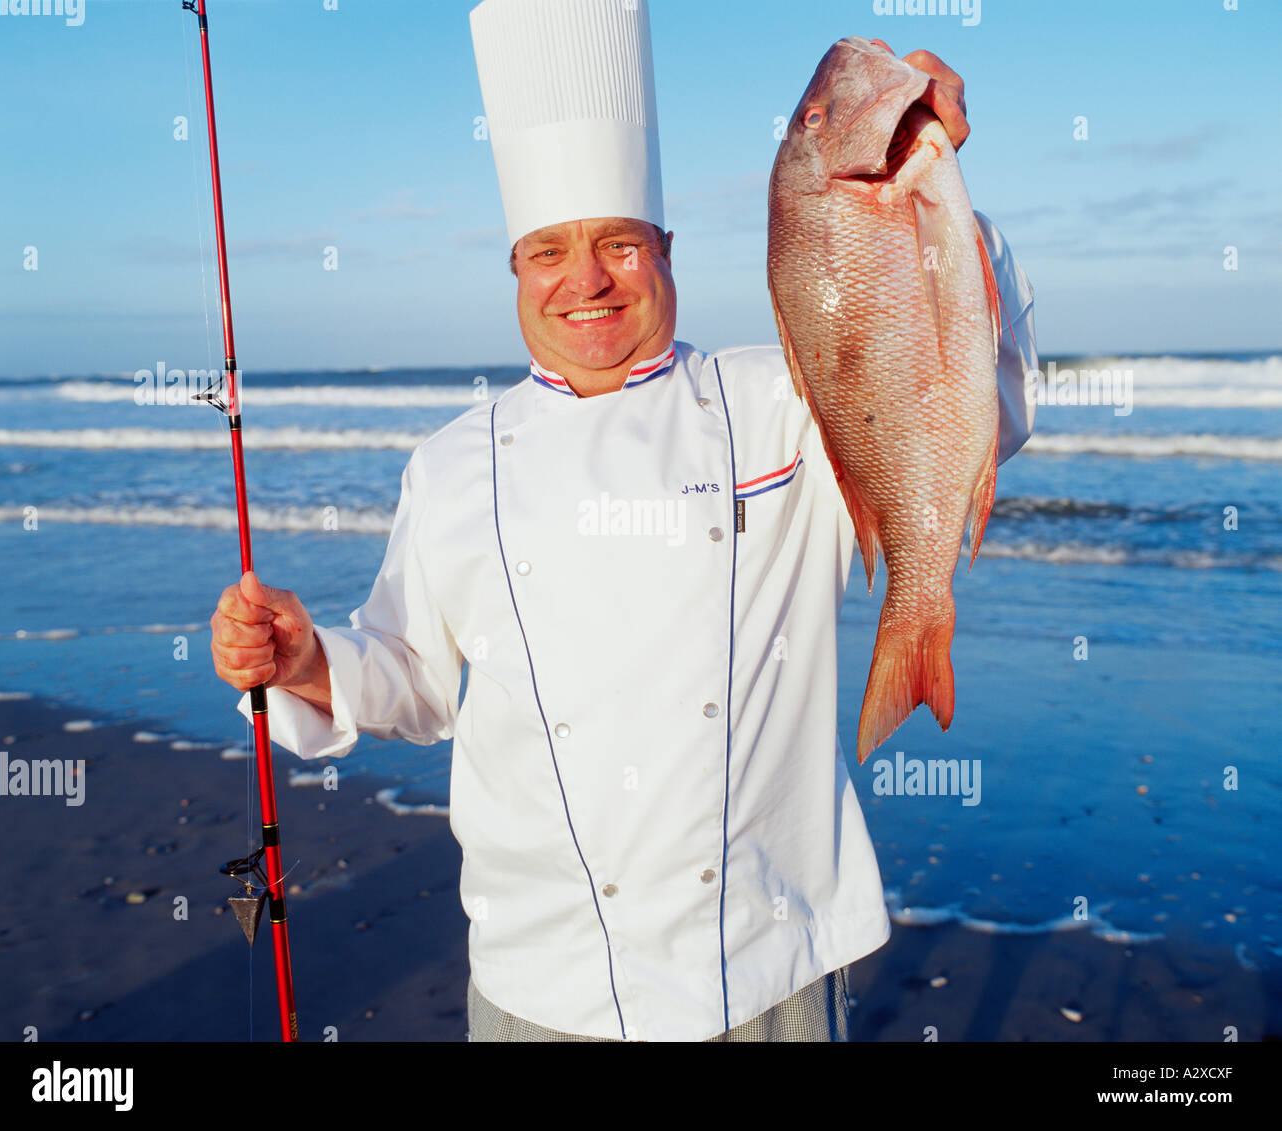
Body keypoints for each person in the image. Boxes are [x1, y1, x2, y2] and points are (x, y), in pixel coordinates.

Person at [210, 1, 1036, 1042]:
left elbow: (977, 394)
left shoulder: (780, 400)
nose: (586, 280)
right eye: (548, 251)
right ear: (515, 270)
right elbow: (416, 678)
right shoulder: (455, 464)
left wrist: (933, 184)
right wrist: (302, 658)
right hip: (540, 979)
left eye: (618, 244)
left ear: (666, 250)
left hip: (762, 963)